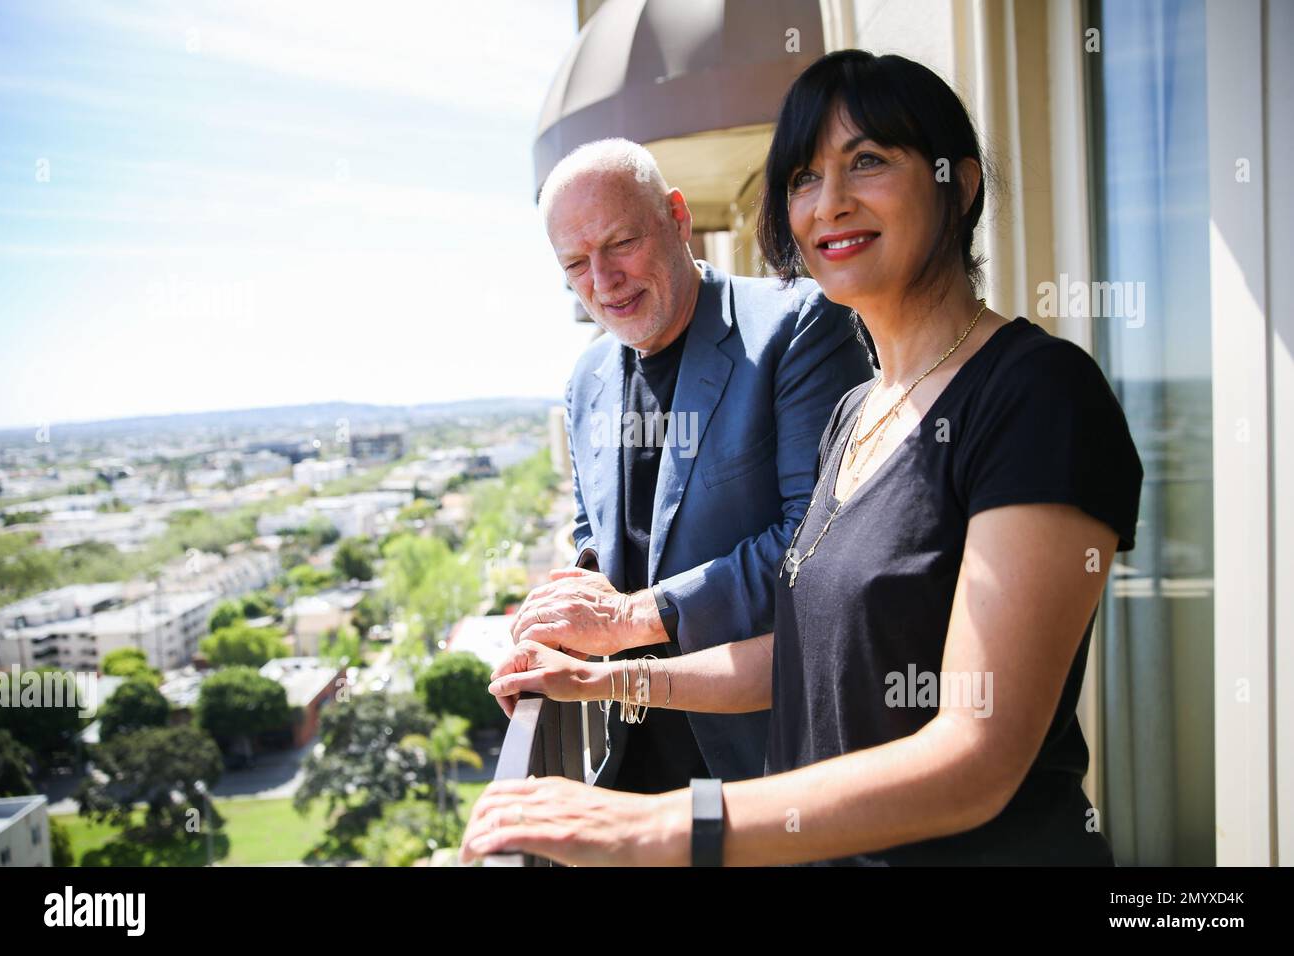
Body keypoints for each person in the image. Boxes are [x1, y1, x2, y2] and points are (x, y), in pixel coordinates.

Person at [461, 49, 1143, 866]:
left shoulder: (1041, 395)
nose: (831, 203)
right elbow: (806, 658)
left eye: (867, 162)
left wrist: (653, 828)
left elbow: (978, 757)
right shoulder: (858, 412)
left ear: (956, 186)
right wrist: (608, 679)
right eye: (802, 178)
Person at [512, 139, 870, 792]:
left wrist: (627, 619)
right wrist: (576, 597)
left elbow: (816, 547)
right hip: (635, 759)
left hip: (774, 765)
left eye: (620, 243)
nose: (603, 280)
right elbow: (595, 530)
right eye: (575, 264)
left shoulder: (799, 326)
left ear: (677, 218)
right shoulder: (587, 376)